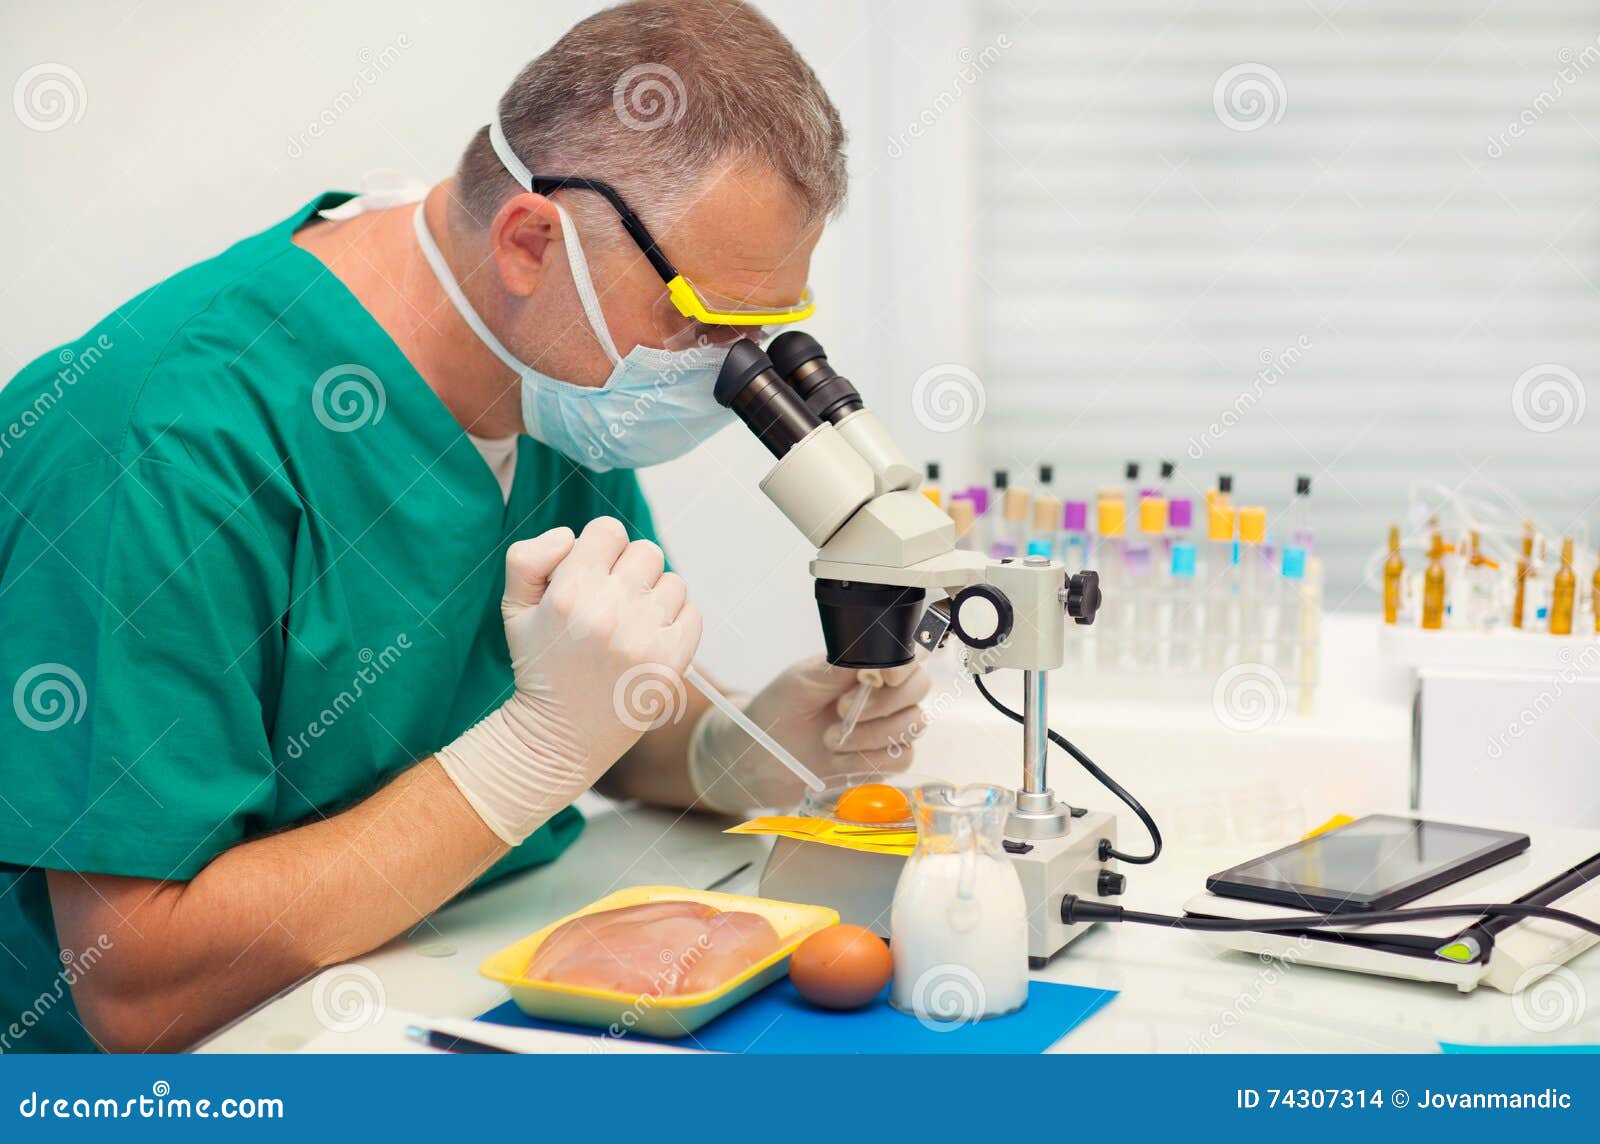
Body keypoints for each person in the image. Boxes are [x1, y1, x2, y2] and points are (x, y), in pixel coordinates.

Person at [0, 0, 929, 1053]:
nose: (723, 374)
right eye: (699, 322)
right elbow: (135, 989)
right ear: (532, 241)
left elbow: (577, 707)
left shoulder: (544, 373)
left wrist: (727, 749)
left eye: (762, 331)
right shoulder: (168, 440)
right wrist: (525, 756)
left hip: (428, 982)